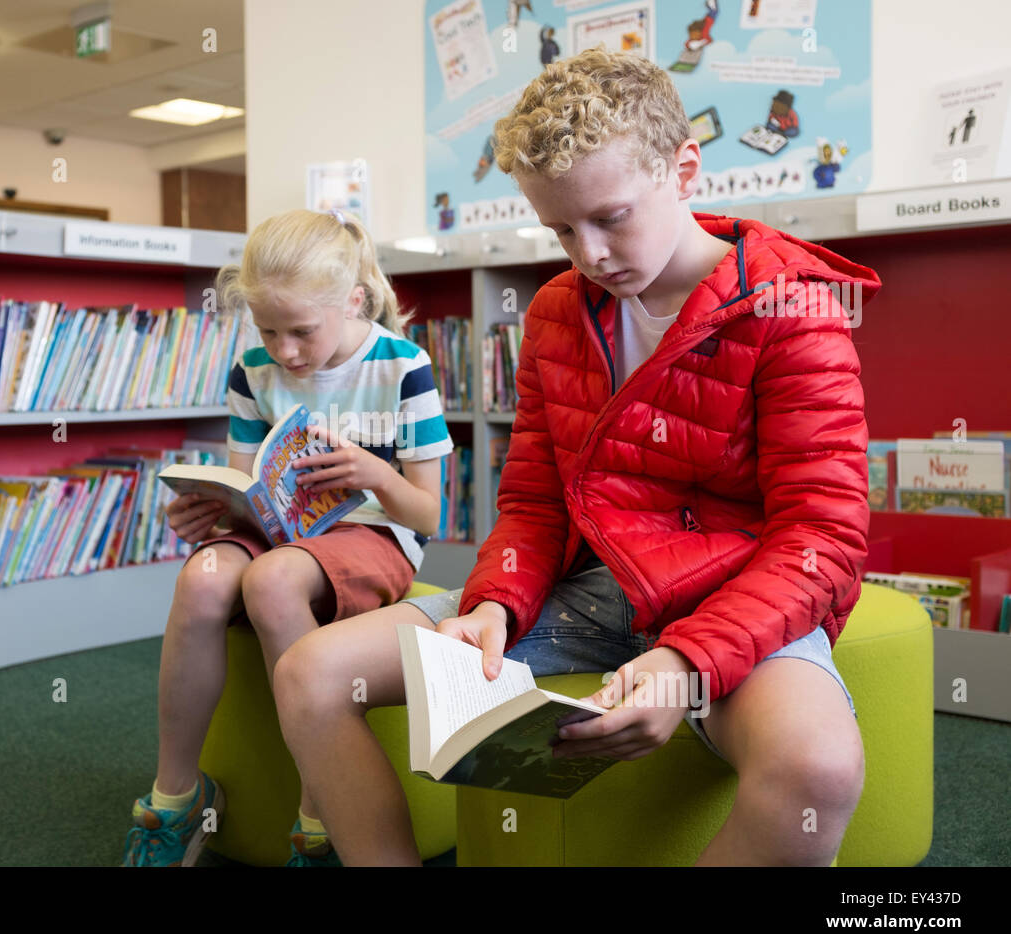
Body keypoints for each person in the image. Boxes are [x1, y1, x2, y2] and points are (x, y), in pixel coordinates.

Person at [273, 47, 878, 866]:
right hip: (596, 592)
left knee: (820, 767)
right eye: (561, 228)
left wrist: (687, 661)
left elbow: (824, 536)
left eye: (612, 216)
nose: (589, 253)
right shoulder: (558, 311)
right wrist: (494, 604)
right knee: (311, 675)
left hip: (742, 595)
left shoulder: (793, 308)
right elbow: (533, 496)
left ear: (685, 168)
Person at [121, 208, 453, 867]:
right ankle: (176, 797)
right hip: (280, 536)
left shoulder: (403, 367)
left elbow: (427, 515)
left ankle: (319, 812)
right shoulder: (253, 370)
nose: (287, 351)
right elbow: (248, 494)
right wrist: (208, 516)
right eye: (268, 330)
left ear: (353, 300)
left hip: (375, 535)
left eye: (302, 331)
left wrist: (376, 474)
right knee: (204, 575)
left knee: (273, 582)